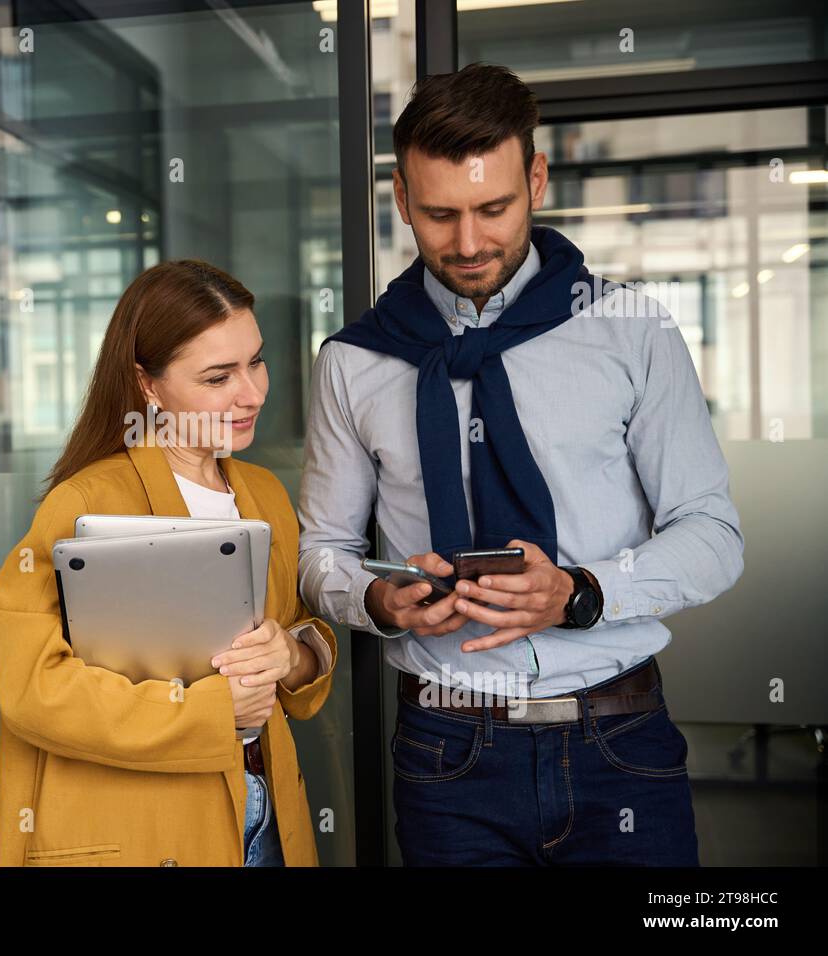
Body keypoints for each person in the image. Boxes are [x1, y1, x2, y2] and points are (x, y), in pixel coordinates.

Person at [297, 63, 743, 865]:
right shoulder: (353, 361)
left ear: (535, 178)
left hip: (621, 746)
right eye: (439, 215)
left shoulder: (632, 332)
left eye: (493, 208)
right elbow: (319, 549)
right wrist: (377, 599)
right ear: (401, 199)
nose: (469, 244)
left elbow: (711, 534)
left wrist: (579, 591)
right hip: (447, 751)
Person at [0, 259, 337, 866]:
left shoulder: (266, 495)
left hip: (263, 806)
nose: (251, 392)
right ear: (148, 386)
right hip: (148, 825)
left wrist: (293, 653)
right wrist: (207, 711)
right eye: (217, 377)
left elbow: (297, 646)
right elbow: (32, 688)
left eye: (255, 361)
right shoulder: (86, 503)